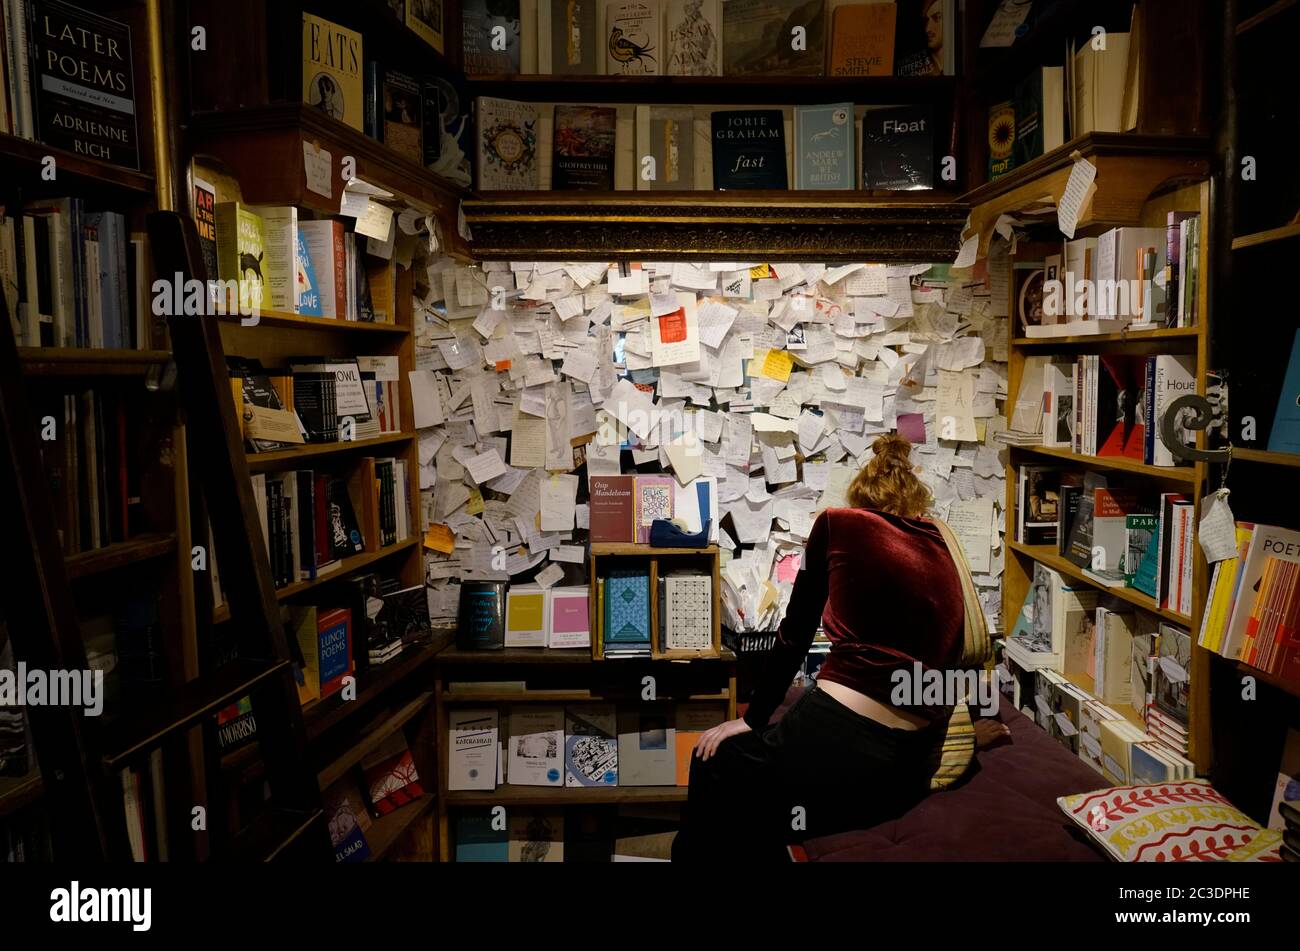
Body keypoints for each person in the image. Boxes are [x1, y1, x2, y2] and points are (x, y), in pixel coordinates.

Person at [672, 433, 1007, 862]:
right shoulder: (943, 543)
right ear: (915, 505)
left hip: (840, 740)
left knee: (712, 760)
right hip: (903, 768)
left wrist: (753, 718)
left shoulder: (836, 523)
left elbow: (794, 632)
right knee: (768, 802)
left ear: (860, 499)